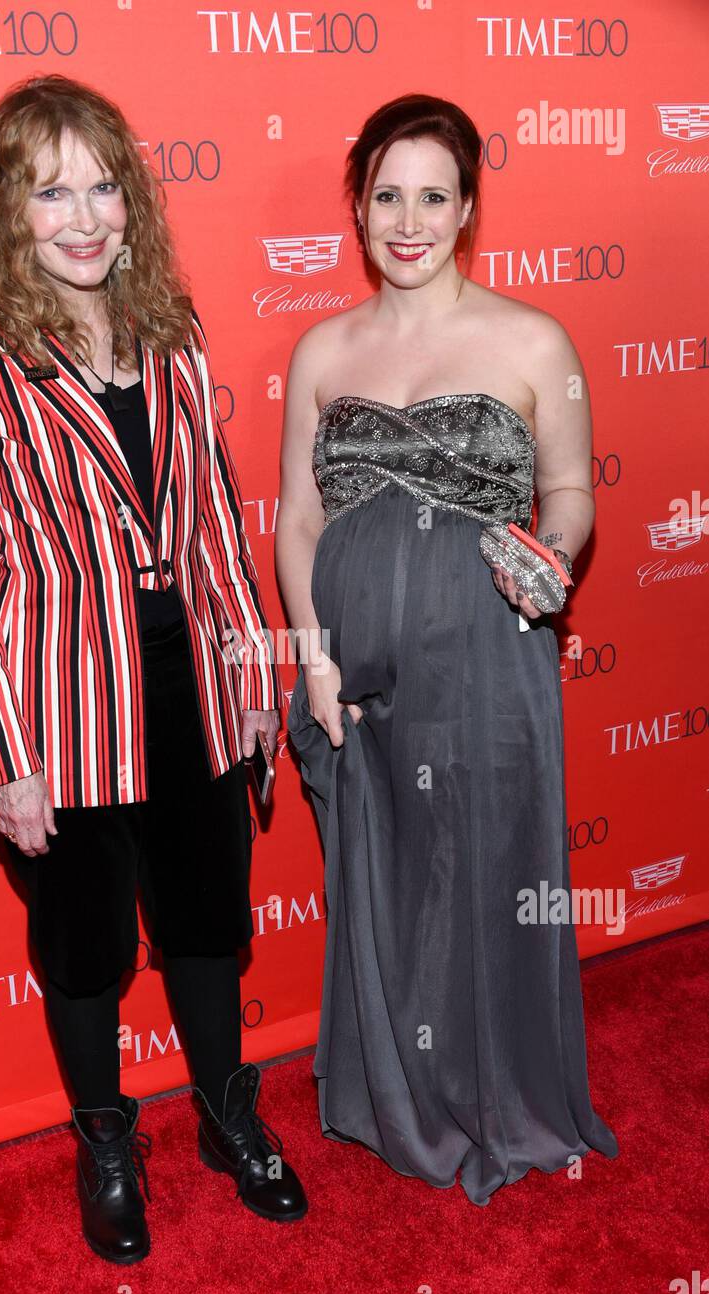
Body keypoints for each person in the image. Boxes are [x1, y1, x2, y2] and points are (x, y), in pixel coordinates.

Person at [0, 73, 307, 1265]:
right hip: (58, 707)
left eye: (101, 186)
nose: (83, 217)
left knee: (204, 927)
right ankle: (104, 1140)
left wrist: (250, 687)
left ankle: (229, 1116)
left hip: (189, 681)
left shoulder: (167, 324)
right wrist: (3, 760)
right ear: (7, 211)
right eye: (50, 192)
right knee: (83, 948)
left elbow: (211, 527)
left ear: (130, 198)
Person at [276, 93, 618, 1206]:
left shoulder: (531, 339)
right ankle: (392, 1096)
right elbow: (294, 518)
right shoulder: (322, 348)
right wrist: (312, 658)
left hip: (487, 654)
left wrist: (550, 555)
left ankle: (498, 1093)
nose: (408, 219)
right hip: (357, 673)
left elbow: (568, 491)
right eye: (386, 195)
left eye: (433, 194)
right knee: (383, 879)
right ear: (358, 209)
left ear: (468, 206)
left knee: (486, 867)